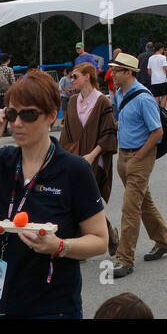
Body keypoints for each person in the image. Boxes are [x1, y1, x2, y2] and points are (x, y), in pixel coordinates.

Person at [0, 71, 108, 318]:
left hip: (52, 309)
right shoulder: (2, 162)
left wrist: (58, 246)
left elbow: (100, 239)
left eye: (28, 114)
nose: (17, 123)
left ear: (50, 116)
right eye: (12, 114)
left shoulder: (73, 170)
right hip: (0, 305)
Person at [107, 52, 167, 279]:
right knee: (143, 201)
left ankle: (124, 260)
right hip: (124, 155)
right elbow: (122, 119)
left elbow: (157, 132)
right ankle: (164, 241)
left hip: (139, 157)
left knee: (130, 208)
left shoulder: (144, 98)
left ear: (129, 72)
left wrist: (138, 157)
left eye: (116, 71)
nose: (112, 74)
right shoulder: (119, 93)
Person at [59, 62, 120, 254]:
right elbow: (66, 133)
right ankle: (99, 238)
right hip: (75, 158)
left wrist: (92, 156)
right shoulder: (72, 101)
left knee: (82, 200)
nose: (72, 80)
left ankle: (100, 238)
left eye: (75, 76)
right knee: (80, 201)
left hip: (95, 159)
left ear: (88, 77)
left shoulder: (102, 101)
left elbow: (109, 134)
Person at [146, 43, 167, 109]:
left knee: (156, 97)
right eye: (163, 49)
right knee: (164, 96)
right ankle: (162, 112)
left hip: (154, 81)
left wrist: (154, 75)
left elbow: (149, 71)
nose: (163, 50)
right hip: (162, 80)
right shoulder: (163, 57)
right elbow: (166, 68)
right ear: (160, 49)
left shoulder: (150, 58)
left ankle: (156, 112)